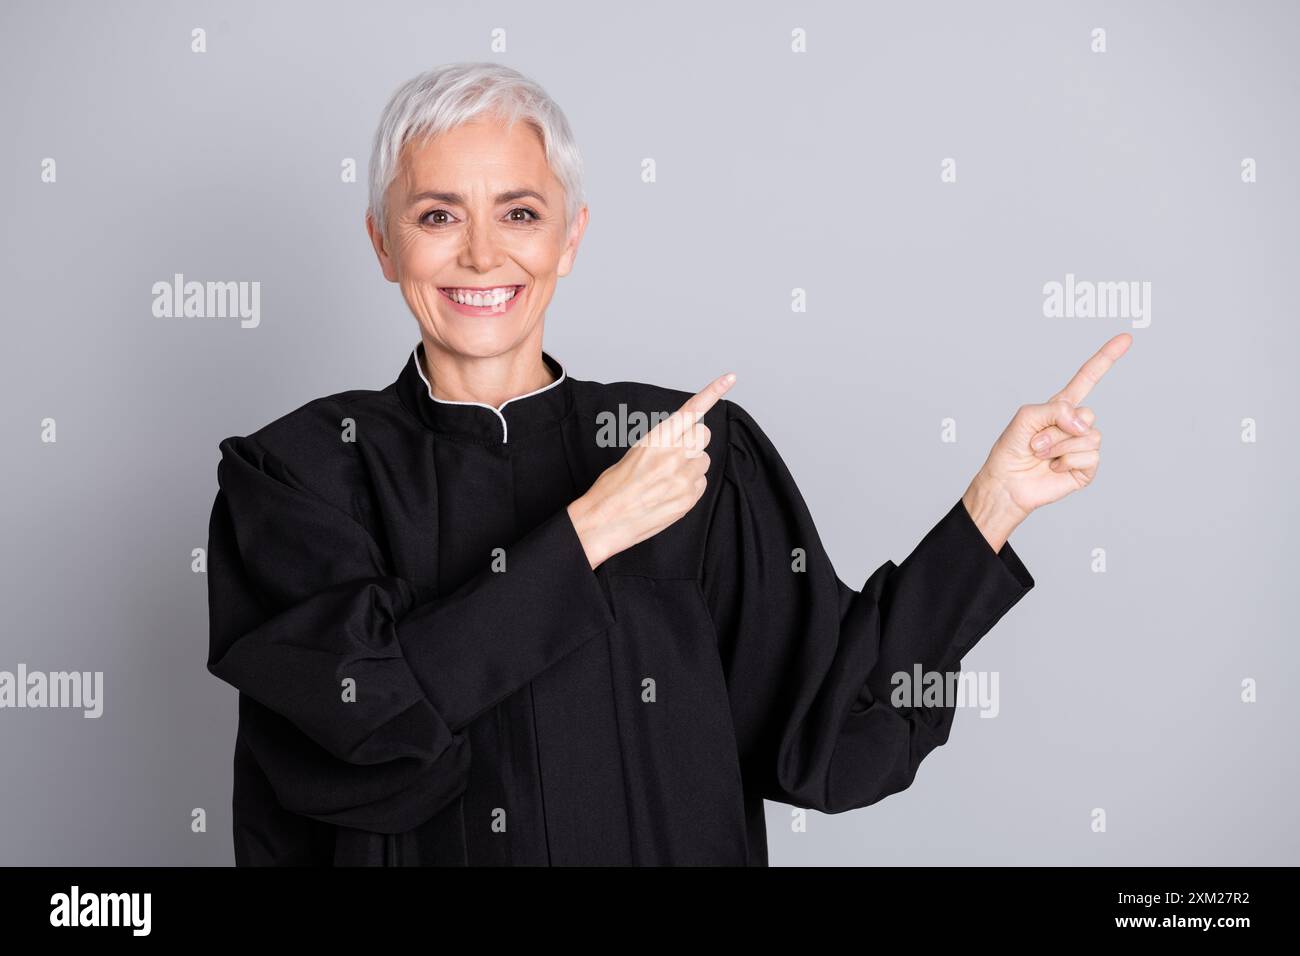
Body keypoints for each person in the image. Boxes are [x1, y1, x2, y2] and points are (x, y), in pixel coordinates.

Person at [205, 61, 1129, 866]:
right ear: (383, 243)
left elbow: (829, 732)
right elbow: (365, 723)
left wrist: (989, 510)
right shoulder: (299, 476)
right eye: (437, 214)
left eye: (520, 213)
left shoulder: (688, 453)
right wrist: (591, 532)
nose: (482, 253)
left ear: (569, 237)